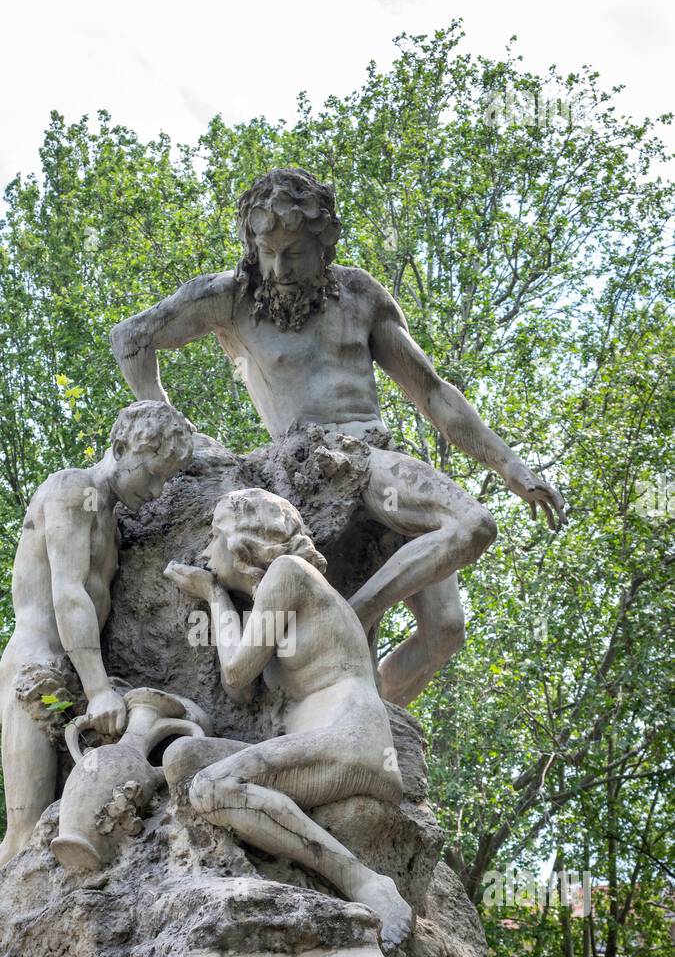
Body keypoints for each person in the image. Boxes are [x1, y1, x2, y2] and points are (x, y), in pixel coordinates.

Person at [111, 167, 566, 705]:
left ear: (324, 244)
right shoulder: (229, 299)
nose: (279, 268)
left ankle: (370, 708)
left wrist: (512, 467)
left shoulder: (358, 296)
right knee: (472, 524)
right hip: (318, 460)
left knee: (445, 631)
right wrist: (177, 440)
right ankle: (354, 622)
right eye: (267, 252)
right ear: (250, 245)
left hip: (376, 453)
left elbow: (434, 394)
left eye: (295, 253)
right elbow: (131, 338)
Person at [0, 400, 195, 957]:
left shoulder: (113, 518)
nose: (160, 489)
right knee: (22, 831)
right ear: (127, 449)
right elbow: (69, 596)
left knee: (61, 824)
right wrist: (95, 687)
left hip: (82, 679)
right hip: (37, 674)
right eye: (156, 473)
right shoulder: (71, 490)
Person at [163, 487, 412, 949]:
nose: (204, 550)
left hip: (350, 740)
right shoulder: (278, 597)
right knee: (183, 756)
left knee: (210, 787)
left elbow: (236, 672)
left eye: (212, 535)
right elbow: (240, 690)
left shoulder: (287, 572)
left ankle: (363, 882)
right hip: (315, 745)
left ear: (243, 542)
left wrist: (213, 596)